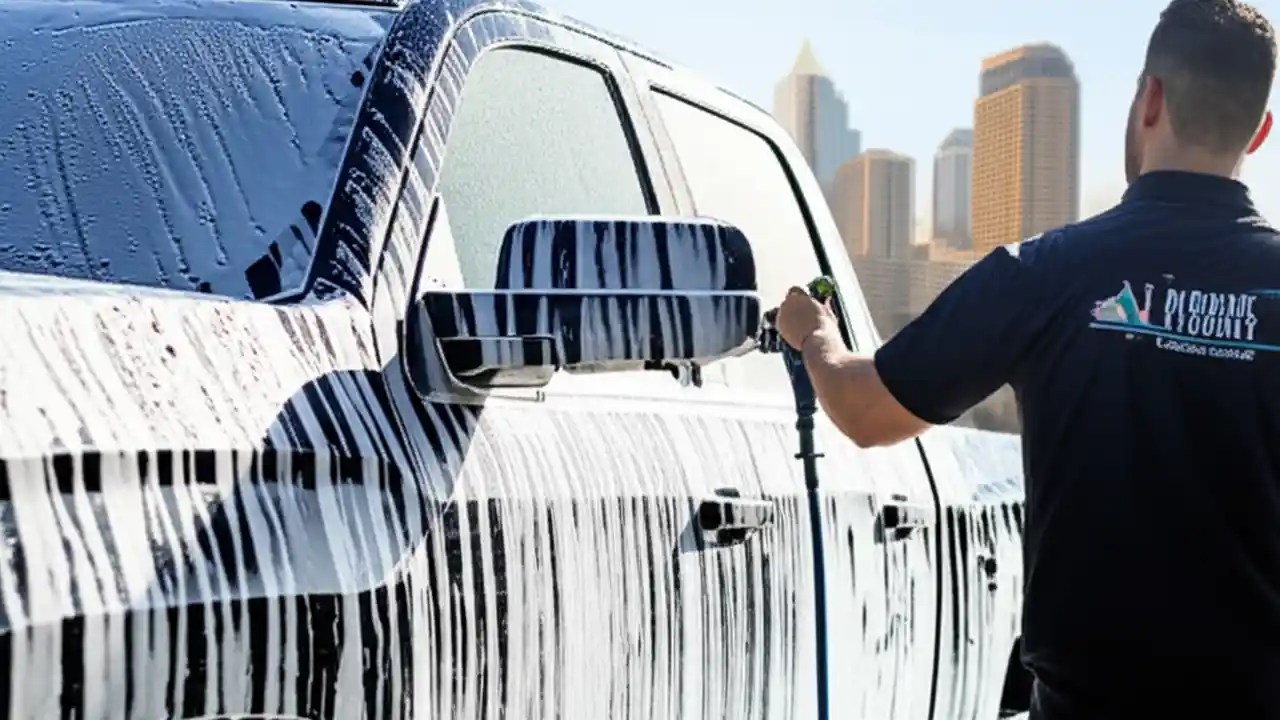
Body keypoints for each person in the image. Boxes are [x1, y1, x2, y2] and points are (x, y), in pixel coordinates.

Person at [776, 0, 1277, 717]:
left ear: (1149, 100)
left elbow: (863, 410)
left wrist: (813, 332)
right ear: (1259, 131)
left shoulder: (1044, 273)